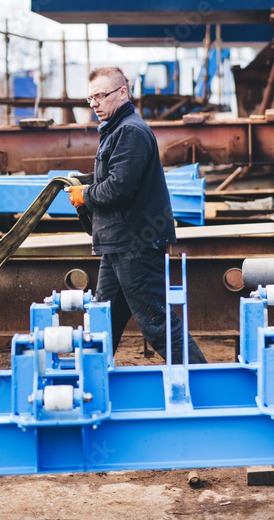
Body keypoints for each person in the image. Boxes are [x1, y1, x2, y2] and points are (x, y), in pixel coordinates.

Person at [66, 66, 206, 365]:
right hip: (118, 244)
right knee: (105, 318)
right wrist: (84, 181)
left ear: (122, 93)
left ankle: (202, 378)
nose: (94, 104)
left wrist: (85, 195)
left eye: (100, 96)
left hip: (134, 245)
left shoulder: (130, 130)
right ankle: (91, 377)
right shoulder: (118, 129)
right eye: (90, 98)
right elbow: (115, 175)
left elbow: (120, 188)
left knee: (157, 324)